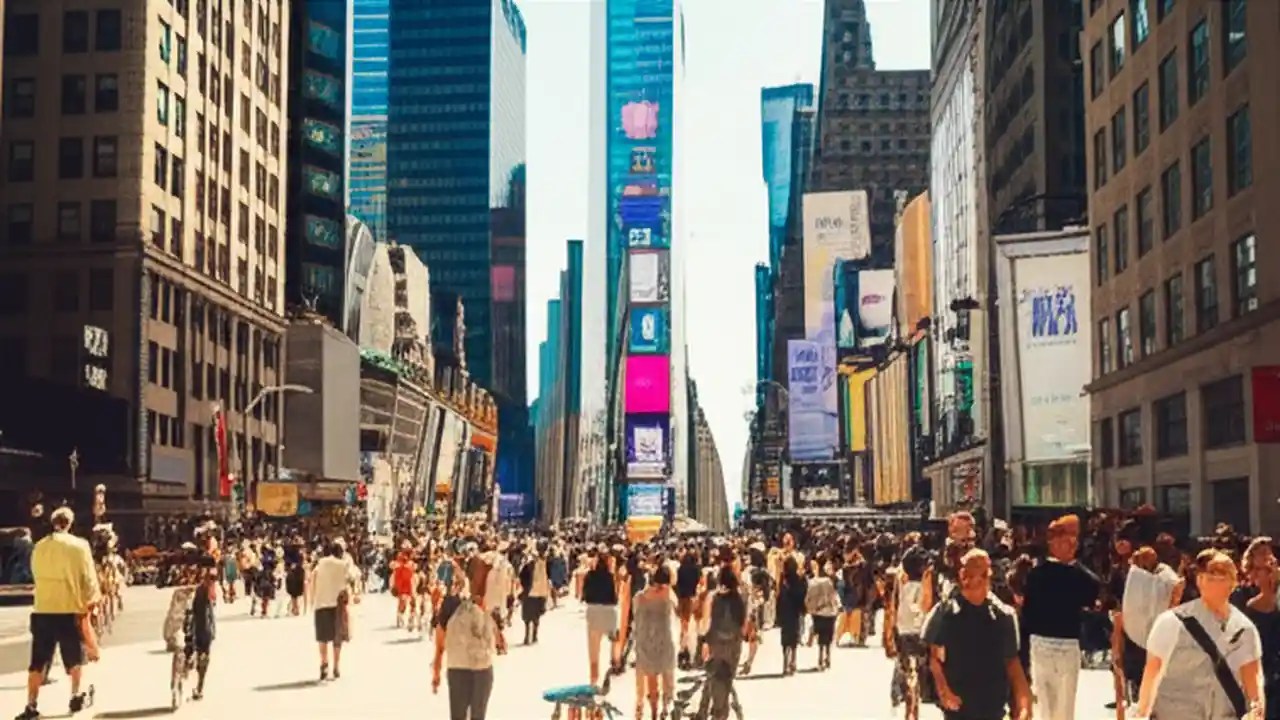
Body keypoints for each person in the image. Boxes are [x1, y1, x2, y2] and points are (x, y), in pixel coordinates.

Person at [1134, 549, 1264, 720]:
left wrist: (1256, 712)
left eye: (1222, 577)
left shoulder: (1244, 629)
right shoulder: (1172, 622)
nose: (1216, 583)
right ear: (1199, 581)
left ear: (1234, 583)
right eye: (1210, 577)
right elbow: (1152, 673)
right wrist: (1142, 714)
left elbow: (1253, 682)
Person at [923, 548, 1031, 720]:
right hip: (958, 706)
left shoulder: (1003, 616)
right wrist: (944, 691)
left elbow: (1013, 664)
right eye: (967, 571)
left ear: (988, 576)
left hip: (993, 706)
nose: (972, 579)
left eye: (980, 573)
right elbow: (934, 658)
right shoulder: (946, 612)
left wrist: (1024, 705)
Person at [17, 507, 100, 720]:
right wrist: (92, 603)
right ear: (70, 523)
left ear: (53, 523)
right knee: (74, 657)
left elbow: (35, 574)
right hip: (69, 608)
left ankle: (31, 703)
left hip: (43, 608)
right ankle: (75, 695)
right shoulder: (80, 546)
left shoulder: (39, 547)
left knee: (38, 660)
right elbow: (89, 579)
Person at [1020, 514, 1099, 720]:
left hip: (1068, 643)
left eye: (1074, 540)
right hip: (1041, 643)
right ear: (1052, 542)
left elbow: (1094, 589)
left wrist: (1073, 563)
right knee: (1045, 706)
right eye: (1066, 539)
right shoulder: (1037, 573)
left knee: (1065, 708)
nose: (1071, 544)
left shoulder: (1079, 575)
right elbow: (1028, 614)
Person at [432, 582, 496, 720]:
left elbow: (439, 649)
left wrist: (436, 675)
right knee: (478, 715)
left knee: (458, 716)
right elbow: (495, 638)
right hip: (483, 668)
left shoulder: (447, 614)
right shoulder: (480, 607)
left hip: (457, 670)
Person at [699, 564, 746, 720]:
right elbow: (744, 626)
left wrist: (704, 641)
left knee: (715, 683)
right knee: (726, 685)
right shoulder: (741, 599)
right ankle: (715, 714)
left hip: (716, 645)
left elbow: (706, 622)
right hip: (734, 646)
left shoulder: (712, 597)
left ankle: (713, 713)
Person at [632, 564, 677, 720]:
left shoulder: (639, 597)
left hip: (645, 641)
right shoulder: (668, 595)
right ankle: (666, 707)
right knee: (667, 675)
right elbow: (675, 606)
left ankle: (653, 713)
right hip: (664, 639)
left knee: (651, 680)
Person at [312, 540, 356, 680]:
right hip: (337, 605)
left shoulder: (321, 563)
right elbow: (352, 578)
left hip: (321, 603)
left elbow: (312, 578)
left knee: (323, 637)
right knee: (337, 639)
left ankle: (324, 663)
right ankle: (336, 666)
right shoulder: (344, 565)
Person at [805, 556, 841, 671]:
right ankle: (828, 657)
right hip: (830, 612)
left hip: (818, 612)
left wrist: (810, 609)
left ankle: (820, 658)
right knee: (828, 636)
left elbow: (808, 598)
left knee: (820, 636)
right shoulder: (831, 581)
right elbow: (835, 594)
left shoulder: (812, 582)